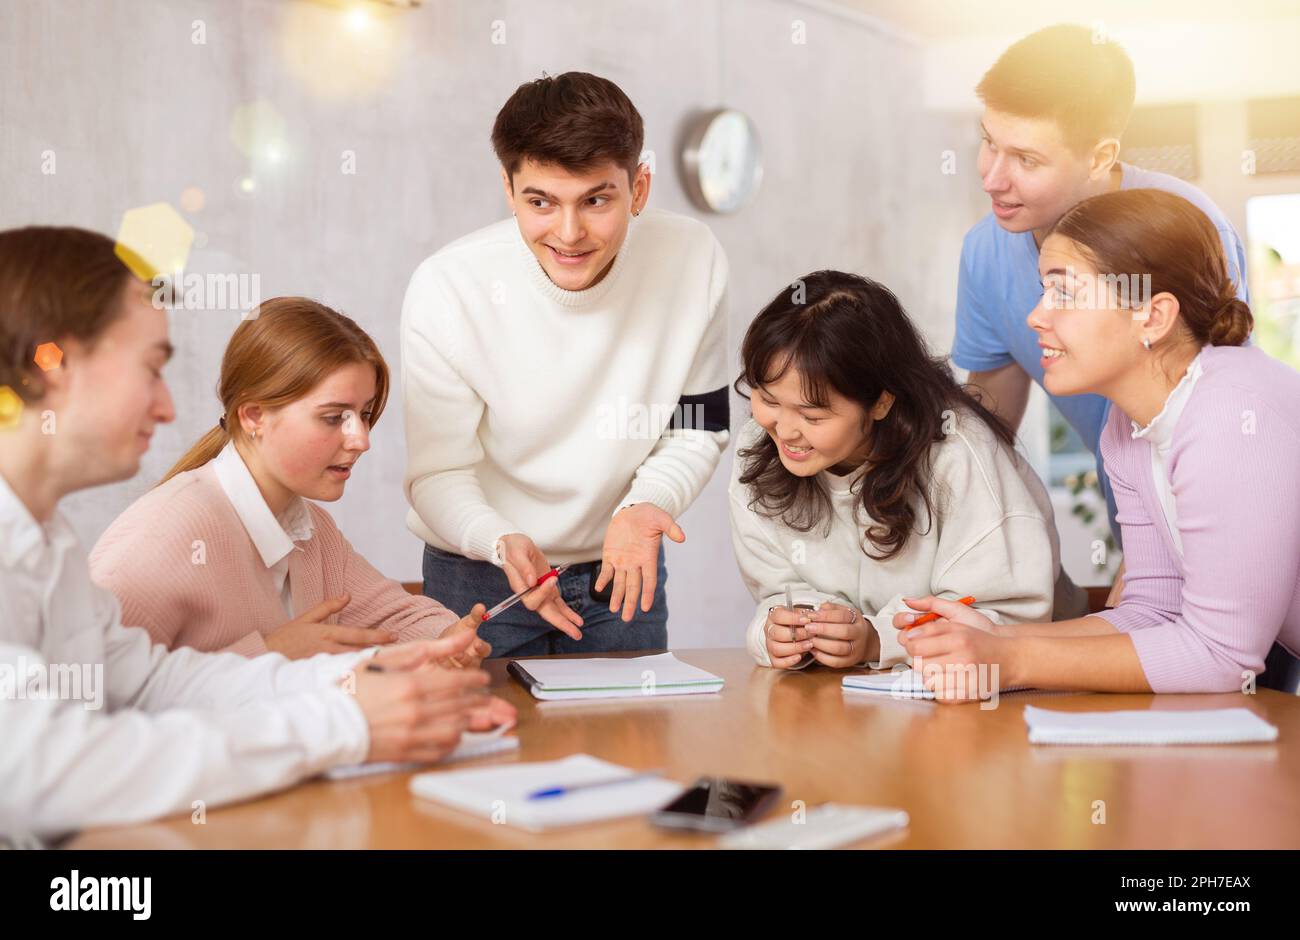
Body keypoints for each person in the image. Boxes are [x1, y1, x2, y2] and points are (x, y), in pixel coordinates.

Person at [0, 226, 512, 843]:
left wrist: (376, 671)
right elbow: (44, 771)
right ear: (51, 362)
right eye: (151, 369)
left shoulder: (44, 539)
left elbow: (151, 684)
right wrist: (342, 722)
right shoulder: (148, 535)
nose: (167, 407)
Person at [900, 190, 1300, 698]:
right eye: (1044, 290)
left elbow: (1220, 658)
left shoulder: (1230, 414)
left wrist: (1011, 658)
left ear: (1153, 318)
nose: (1036, 317)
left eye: (1065, 294)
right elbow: (1154, 609)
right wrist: (994, 638)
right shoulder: (1128, 423)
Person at [402, 71, 730, 656]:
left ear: (640, 188)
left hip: (622, 567)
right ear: (508, 188)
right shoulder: (448, 287)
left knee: (627, 745)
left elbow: (699, 422)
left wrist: (645, 505)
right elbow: (437, 472)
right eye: (541, 202)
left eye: (597, 200)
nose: (570, 233)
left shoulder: (692, 258)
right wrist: (500, 540)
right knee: (487, 744)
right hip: (483, 572)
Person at [952, 23, 1248, 552]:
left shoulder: (1181, 224)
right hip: (1129, 513)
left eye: (1026, 159)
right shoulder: (984, 251)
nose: (992, 178)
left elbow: (1220, 402)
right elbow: (989, 415)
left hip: (1220, 509)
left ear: (1098, 156)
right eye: (988, 143)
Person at [90, 297, 489, 666]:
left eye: (364, 413)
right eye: (334, 417)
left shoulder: (308, 527)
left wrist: (445, 636)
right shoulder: (168, 533)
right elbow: (87, 691)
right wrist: (270, 654)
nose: (362, 440)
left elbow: (393, 614)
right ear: (253, 416)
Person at [729, 270, 1086, 670]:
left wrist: (879, 639)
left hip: (1027, 684)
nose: (786, 431)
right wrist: (786, 630)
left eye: (812, 416)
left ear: (881, 403)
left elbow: (1003, 614)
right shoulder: (759, 448)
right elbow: (780, 590)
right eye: (768, 400)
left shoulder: (956, 452)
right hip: (860, 701)